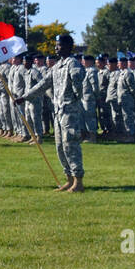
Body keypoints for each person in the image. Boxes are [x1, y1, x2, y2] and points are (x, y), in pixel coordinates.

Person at [20, 32, 86, 192]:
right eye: (56, 45)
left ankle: (78, 181)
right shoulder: (57, 66)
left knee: (70, 145)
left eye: (59, 45)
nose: (56, 48)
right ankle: (69, 179)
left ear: (68, 47)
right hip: (58, 112)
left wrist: (74, 103)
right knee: (60, 147)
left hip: (69, 112)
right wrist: (24, 97)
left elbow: (79, 88)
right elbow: (43, 84)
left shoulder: (73, 64)